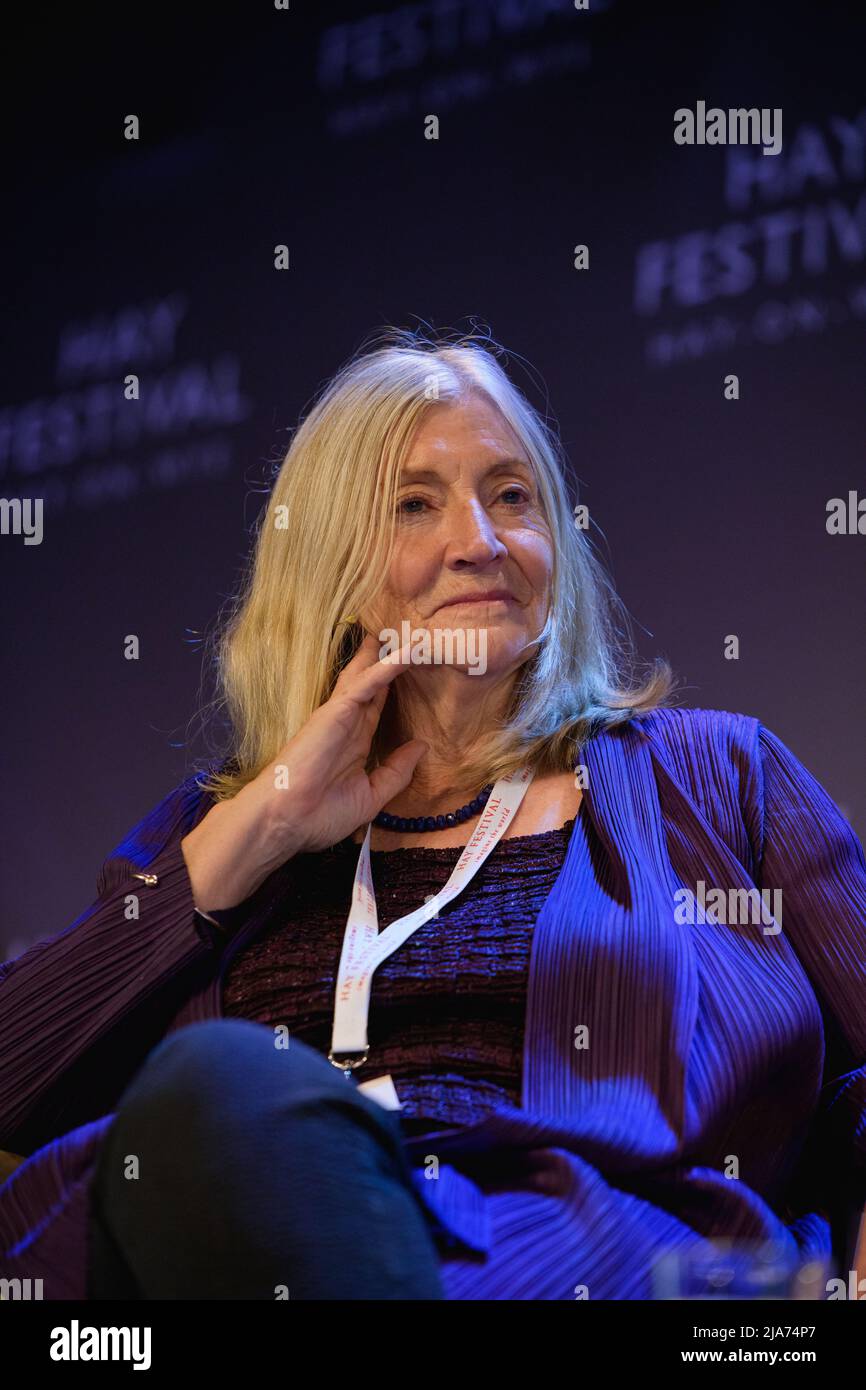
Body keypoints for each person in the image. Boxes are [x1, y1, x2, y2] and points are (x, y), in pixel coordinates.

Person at [1, 329, 865, 1301]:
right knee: (214, 1096)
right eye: (416, 504)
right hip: (249, 1240)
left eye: (510, 496)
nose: (480, 542)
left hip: (572, 1261)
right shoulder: (224, 827)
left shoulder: (714, 777)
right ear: (334, 564)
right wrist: (266, 823)